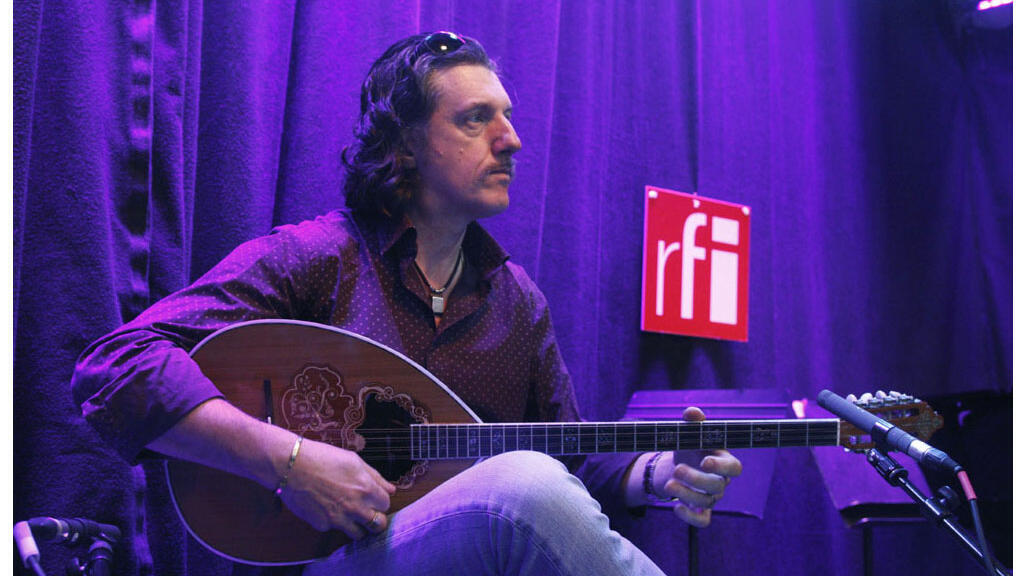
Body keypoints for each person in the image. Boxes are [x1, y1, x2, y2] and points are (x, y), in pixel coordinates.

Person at [72, 32, 742, 575]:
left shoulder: (516, 301)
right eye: (476, 118)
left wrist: (661, 472)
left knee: (534, 480)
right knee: (525, 484)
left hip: (464, 554)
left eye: (508, 117)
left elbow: (571, 455)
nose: (510, 140)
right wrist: (293, 462)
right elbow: (117, 367)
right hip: (324, 563)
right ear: (405, 144)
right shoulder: (318, 258)